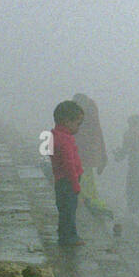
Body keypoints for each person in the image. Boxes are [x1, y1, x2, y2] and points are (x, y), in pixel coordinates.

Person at [50, 99, 86, 247]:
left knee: (64, 209)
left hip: (60, 180)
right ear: (66, 121)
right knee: (69, 210)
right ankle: (69, 237)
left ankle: (64, 234)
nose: (78, 128)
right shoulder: (65, 140)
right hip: (68, 180)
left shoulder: (54, 136)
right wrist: (75, 184)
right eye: (77, 124)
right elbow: (69, 164)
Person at [71, 93, 113, 218]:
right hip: (85, 153)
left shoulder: (85, 115)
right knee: (86, 180)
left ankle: (89, 204)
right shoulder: (90, 114)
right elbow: (97, 132)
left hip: (82, 153)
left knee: (85, 180)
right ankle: (89, 203)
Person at [113, 114, 139, 228]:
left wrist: (117, 155)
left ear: (130, 123)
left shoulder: (129, 133)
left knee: (132, 192)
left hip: (137, 168)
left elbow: (124, 152)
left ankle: (132, 218)